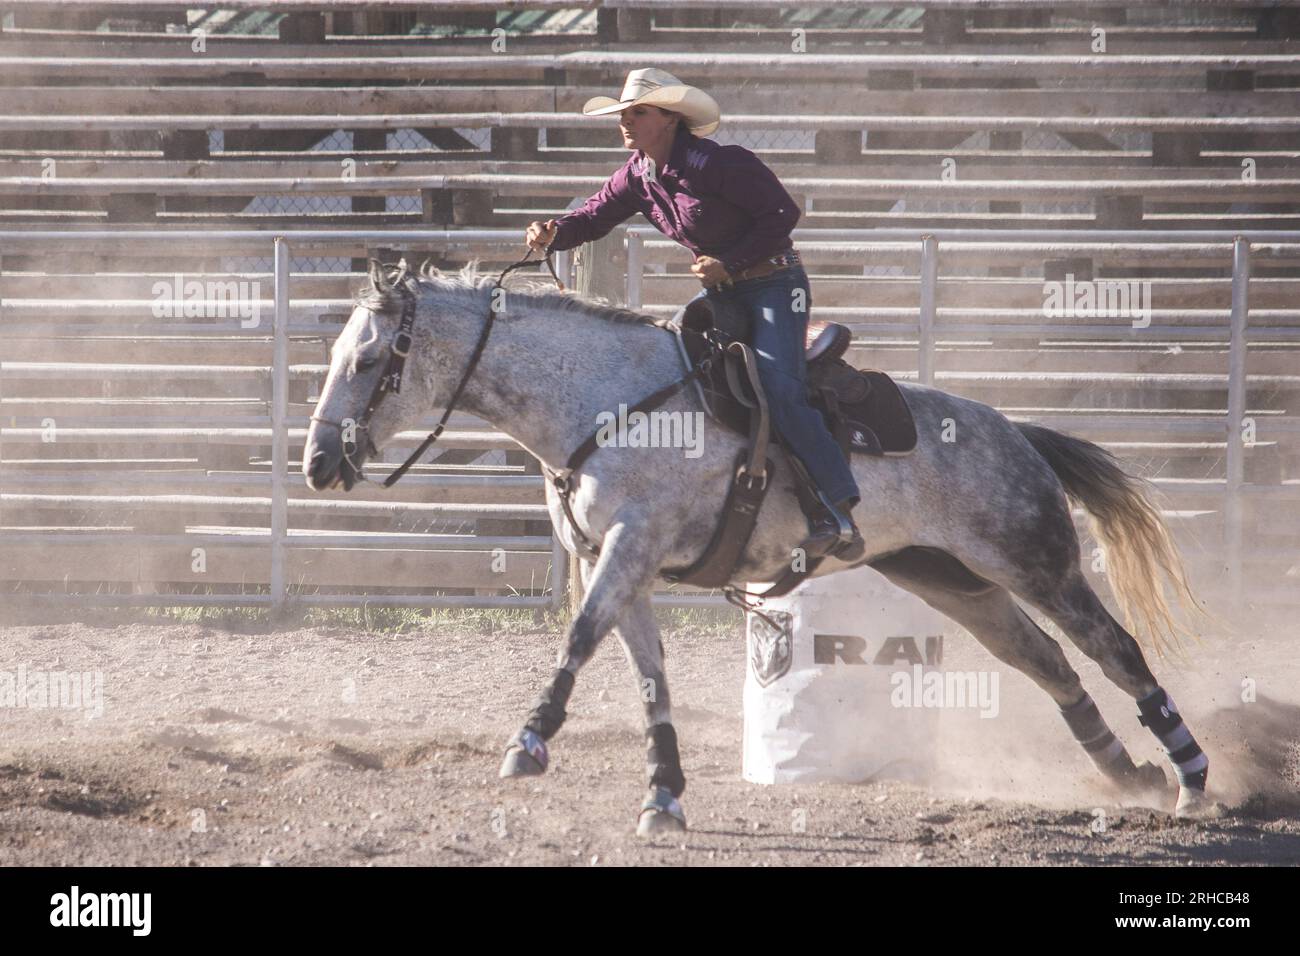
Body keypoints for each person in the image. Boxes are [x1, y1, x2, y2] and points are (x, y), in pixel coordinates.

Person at [525, 68, 863, 561]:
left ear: (669, 119)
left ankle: (837, 509)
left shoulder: (718, 163)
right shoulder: (638, 172)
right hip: (725, 290)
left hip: (774, 285)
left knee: (778, 388)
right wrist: (553, 231)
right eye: (623, 113)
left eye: (638, 112)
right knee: (673, 370)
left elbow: (783, 216)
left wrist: (731, 262)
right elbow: (594, 215)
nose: (626, 121)